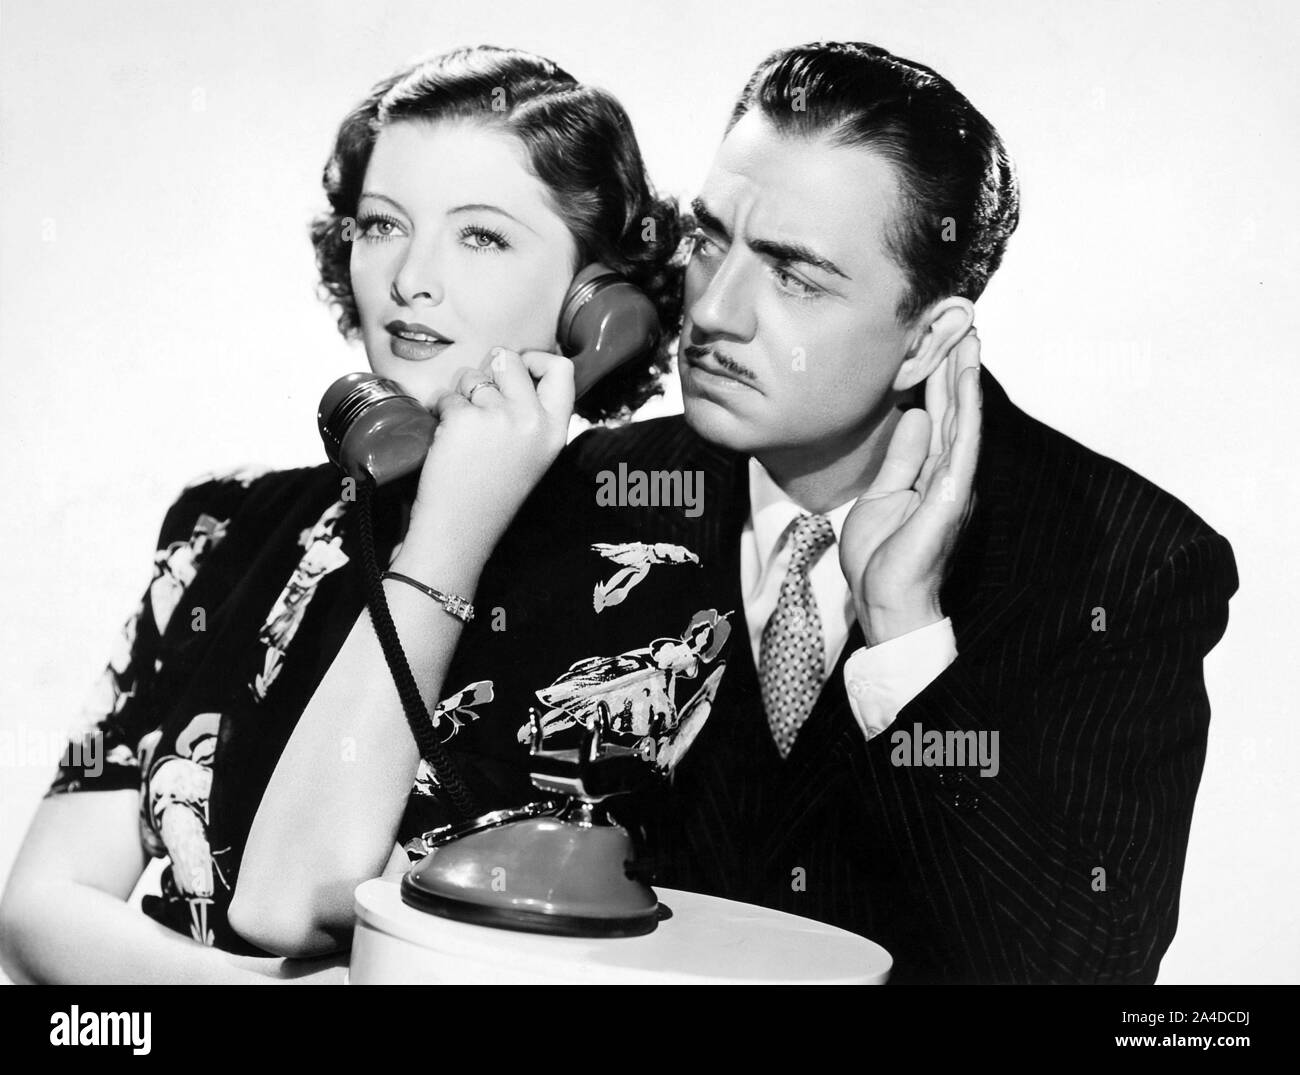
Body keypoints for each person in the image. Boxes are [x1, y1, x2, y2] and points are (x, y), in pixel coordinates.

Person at [255, 40, 1238, 984]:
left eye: (794, 274)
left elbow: (1080, 975)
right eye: (710, 244)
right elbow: (332, 895)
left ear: (925, 339)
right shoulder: (579, 490)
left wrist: (905, 636)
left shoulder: (1127, 562)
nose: (714, 313)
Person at [0, 45, 683, 983]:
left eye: (480, 236)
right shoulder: (222, 524)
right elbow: (39, 906)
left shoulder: (650, 561)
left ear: (592, 302)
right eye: (381, 226)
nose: (411, 279)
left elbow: (293, 906)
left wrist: (449, 529)